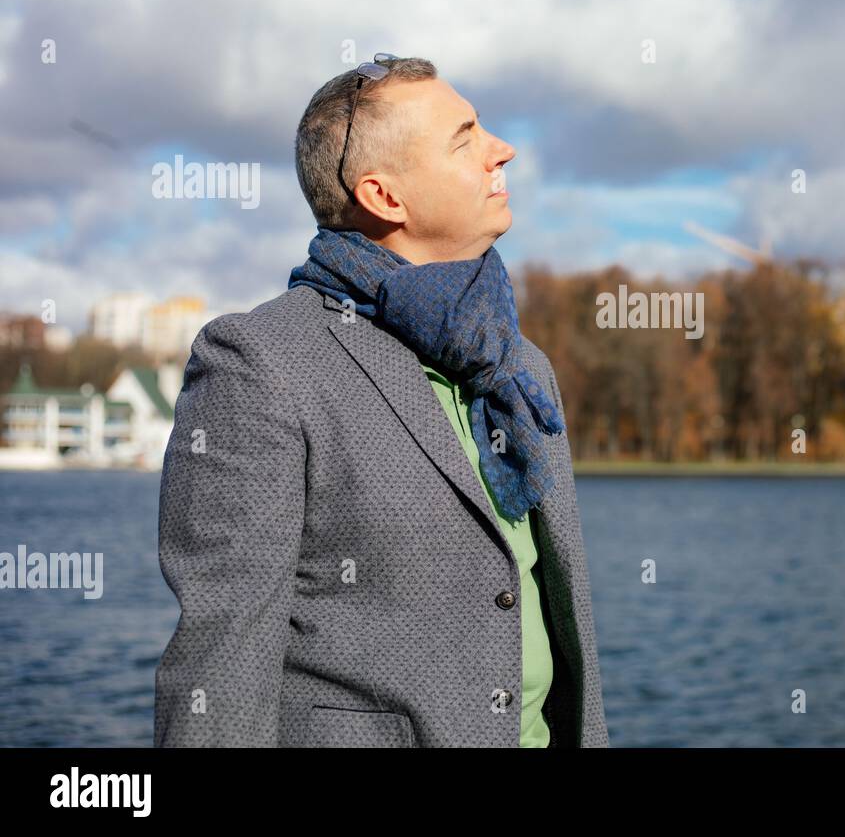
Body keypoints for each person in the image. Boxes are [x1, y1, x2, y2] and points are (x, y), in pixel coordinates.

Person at [153, 54, 608, 747]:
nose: (502, 150)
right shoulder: (260, 363)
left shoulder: (523, 367)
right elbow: (222, 664)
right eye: (465, 138)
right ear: (385, 197)